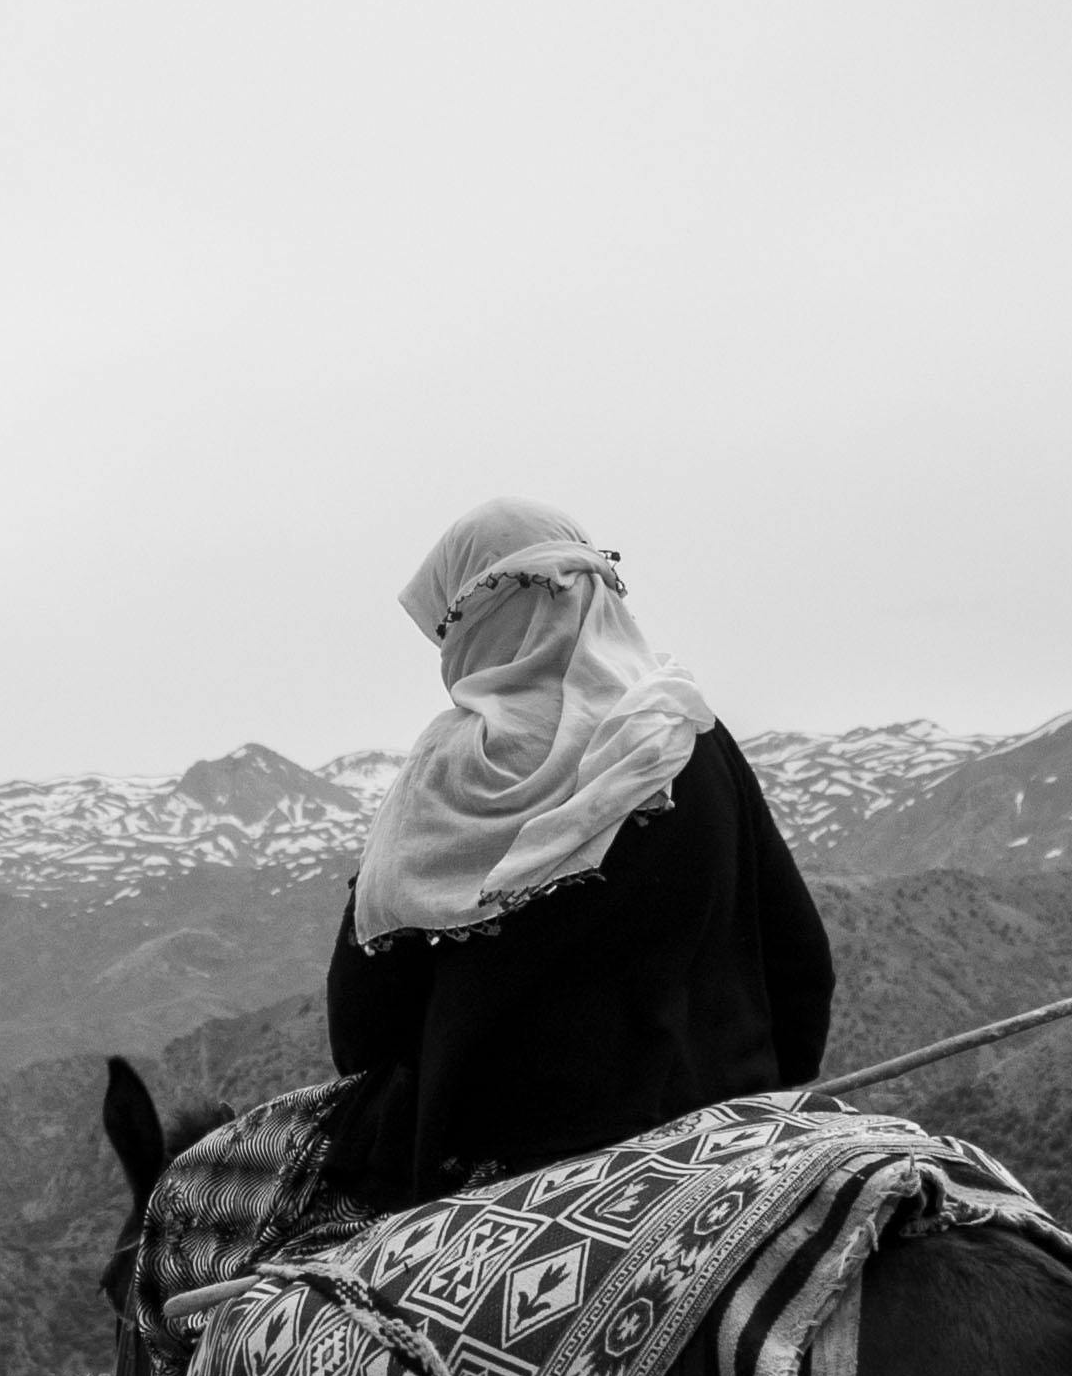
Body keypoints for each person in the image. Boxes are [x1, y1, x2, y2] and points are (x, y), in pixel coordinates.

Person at [324, 497, 832, 1203]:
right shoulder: (688, 733)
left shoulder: (442, 782)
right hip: (734, 1126)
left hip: (519, 1172)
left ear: (475, 623)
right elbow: (798, 963)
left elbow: (363, 1031)